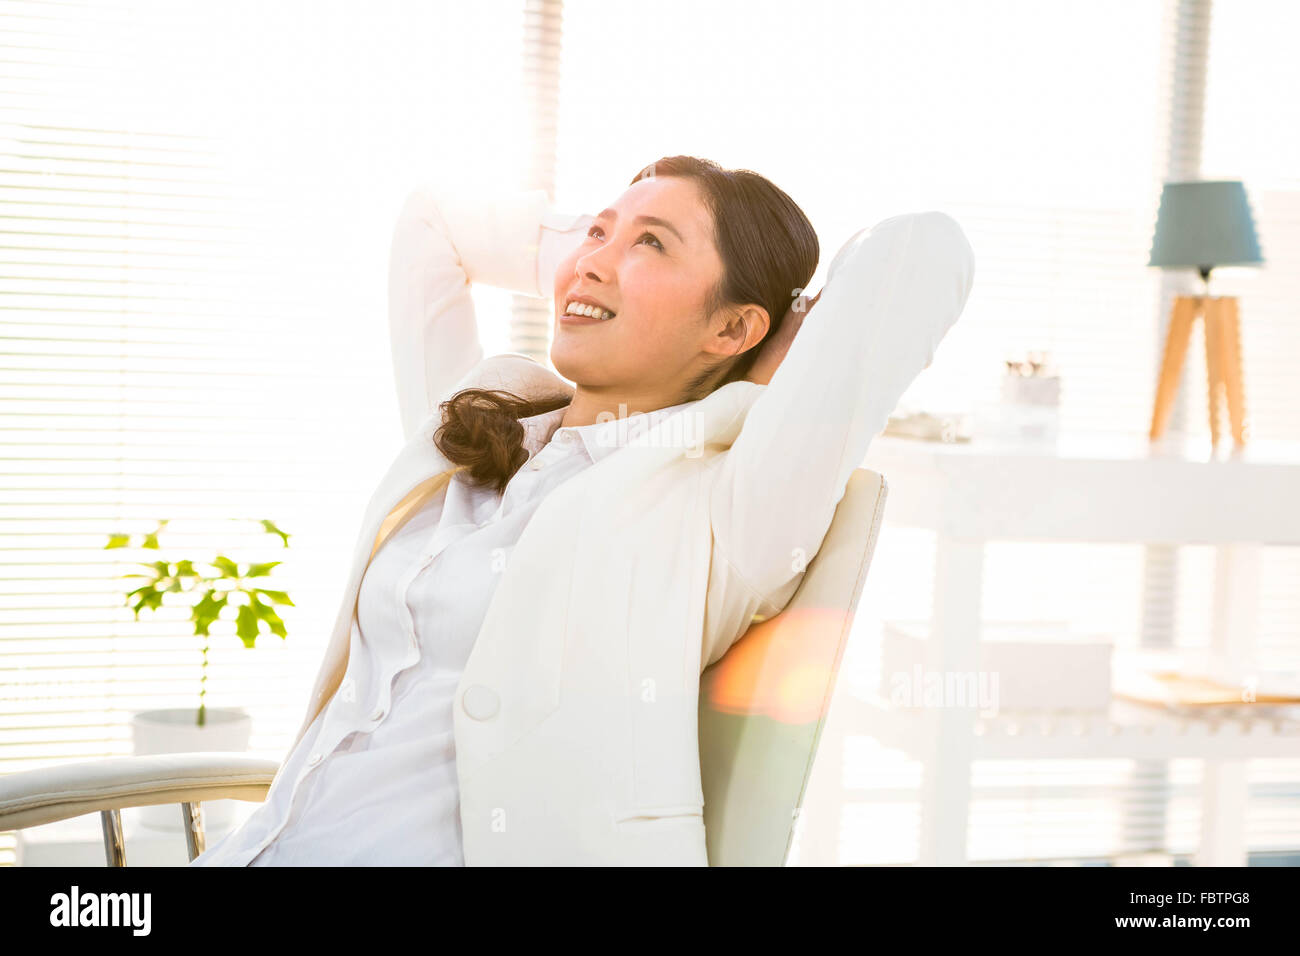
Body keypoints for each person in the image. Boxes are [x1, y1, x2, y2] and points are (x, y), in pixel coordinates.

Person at [190, 154, 974, 866]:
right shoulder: (474, 432)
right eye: (595, 234)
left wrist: (766, 363)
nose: (593, 261)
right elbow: (432, 219)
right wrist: (596, 260)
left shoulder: (716, 512)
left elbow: (919, 255)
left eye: (653, 245)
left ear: (735, 325)